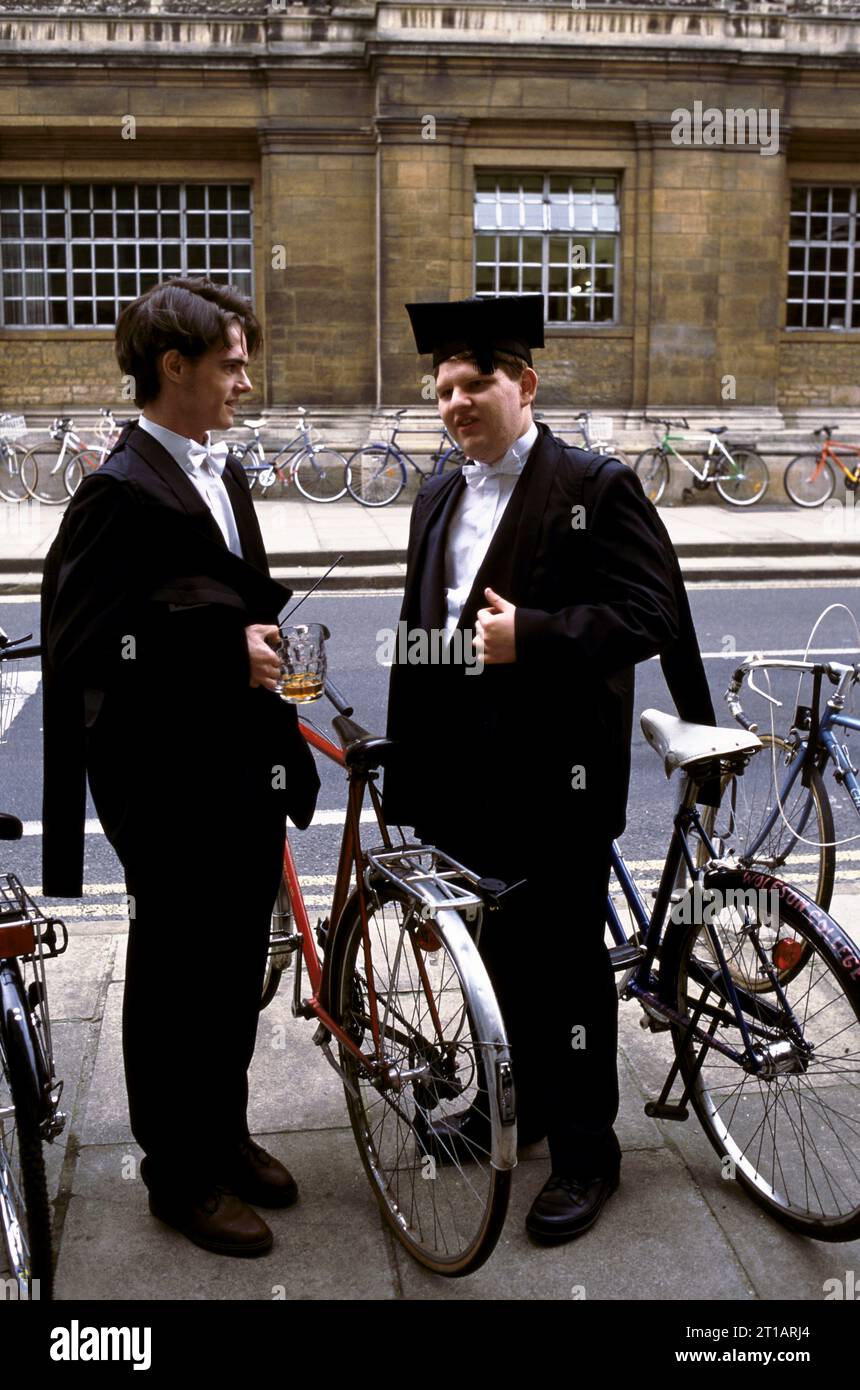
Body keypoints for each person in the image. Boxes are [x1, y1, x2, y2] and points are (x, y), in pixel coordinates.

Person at [383, 295, 716, 1245]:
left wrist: (531, 634)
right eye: (443, 389)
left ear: (523, 384)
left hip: (556, 780)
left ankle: (584, 1152)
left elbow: (652, 614)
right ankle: (503, 1114)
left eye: (474, 383)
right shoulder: (436, 493)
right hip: (460, 775)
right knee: (490, 959)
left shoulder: (595, 485)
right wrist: (408, 765)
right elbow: (426, 635)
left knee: (564, 970)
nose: (455, 403)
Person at [41, 277, 320, 1258]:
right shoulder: (118, 490)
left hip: (239, 763)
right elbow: (83, 649)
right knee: (176, 975)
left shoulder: (218, 469)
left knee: (233, 963)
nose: (246, 380)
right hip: (164, 781)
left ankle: (223, 1134)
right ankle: (177, 1176)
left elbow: (228, 605)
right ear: (176, 367)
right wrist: (217, 655)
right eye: (232, 362)